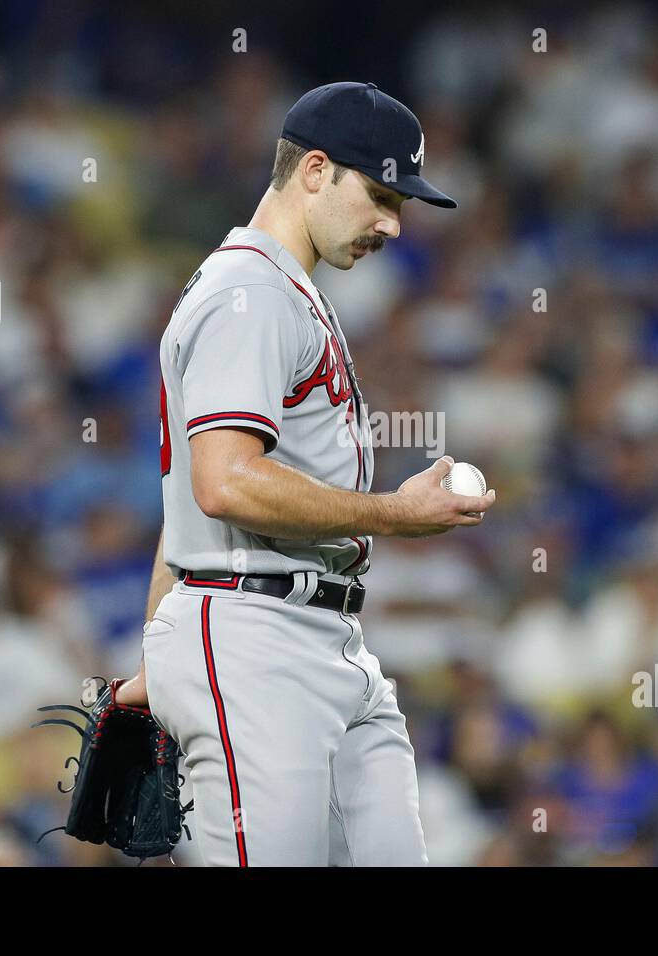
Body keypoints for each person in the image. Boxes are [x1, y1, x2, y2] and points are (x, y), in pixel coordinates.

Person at [114, 81, 496, 866]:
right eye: (381, 195)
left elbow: (185, 500)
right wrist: (394, 512)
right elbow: (224, 484)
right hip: (257, 636)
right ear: (314, 170)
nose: (393, 223)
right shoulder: (251, 293)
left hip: (320, 637)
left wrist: (157, 653)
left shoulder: (287, 291)